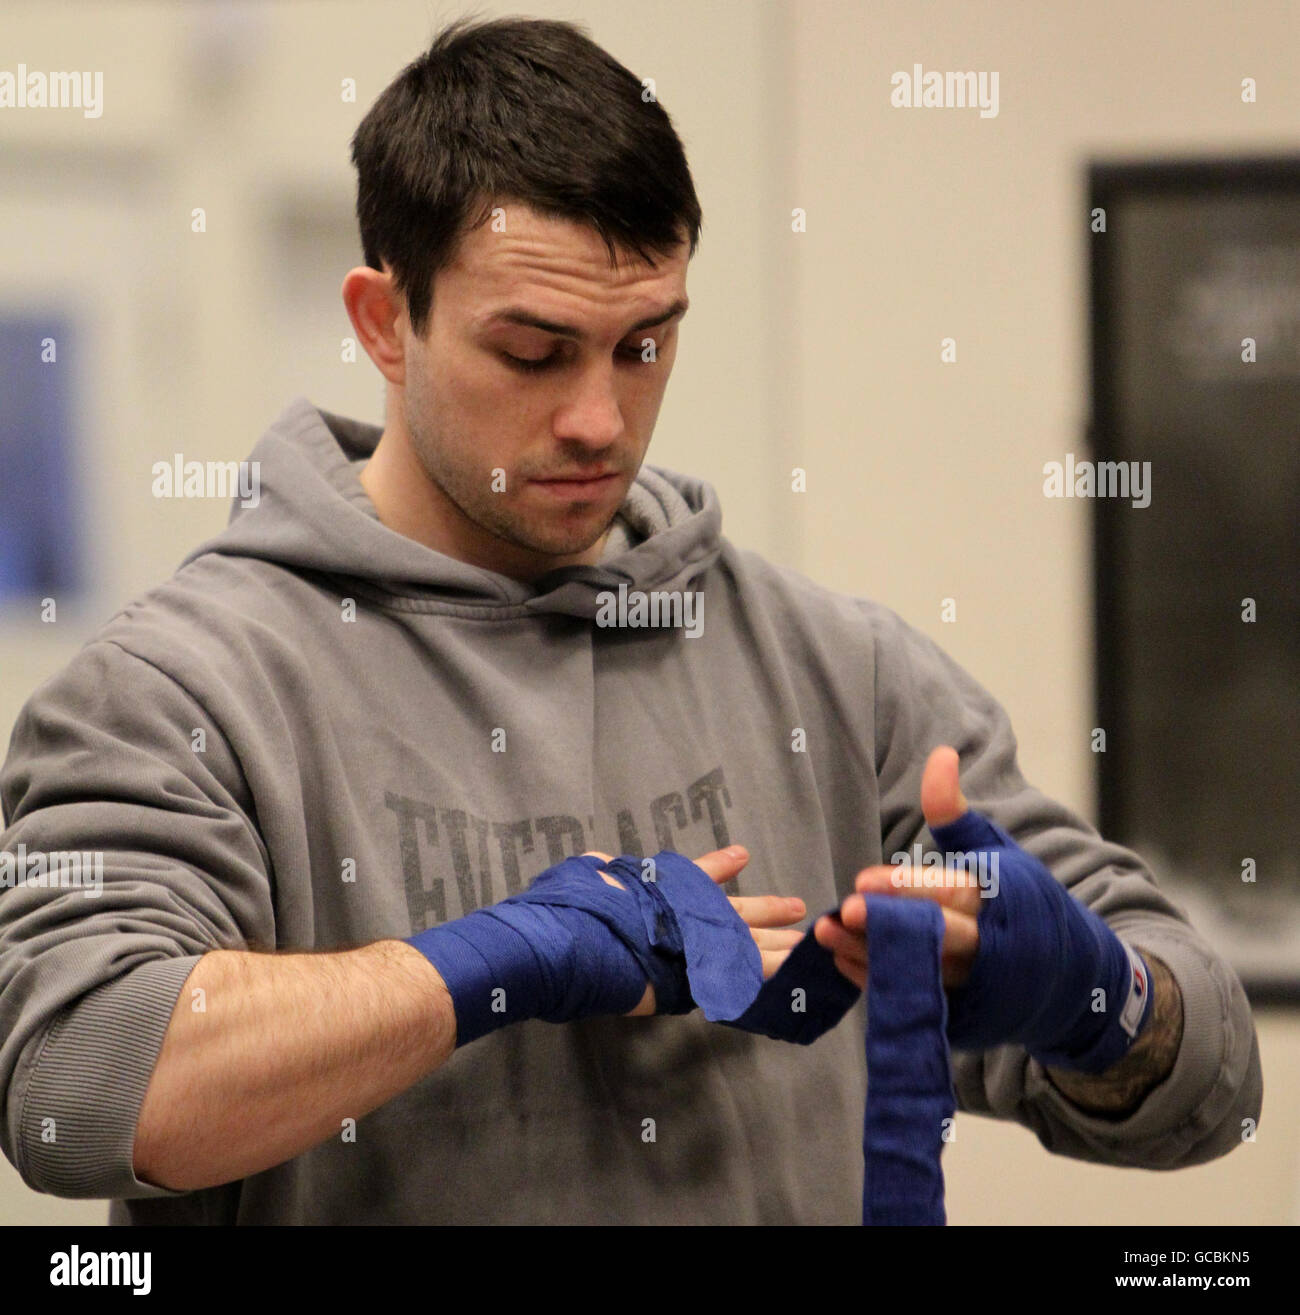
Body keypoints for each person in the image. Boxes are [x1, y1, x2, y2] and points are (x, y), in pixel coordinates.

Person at [0, 16, 1260, 1226]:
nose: (600, 418)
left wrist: (1098, 998)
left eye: (644, 345)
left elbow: (1210, 1087)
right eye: (535, 352)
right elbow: (73, 1088)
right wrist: (476, 967)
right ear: (386, 324)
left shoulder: (835, 672)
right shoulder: (178, 693)